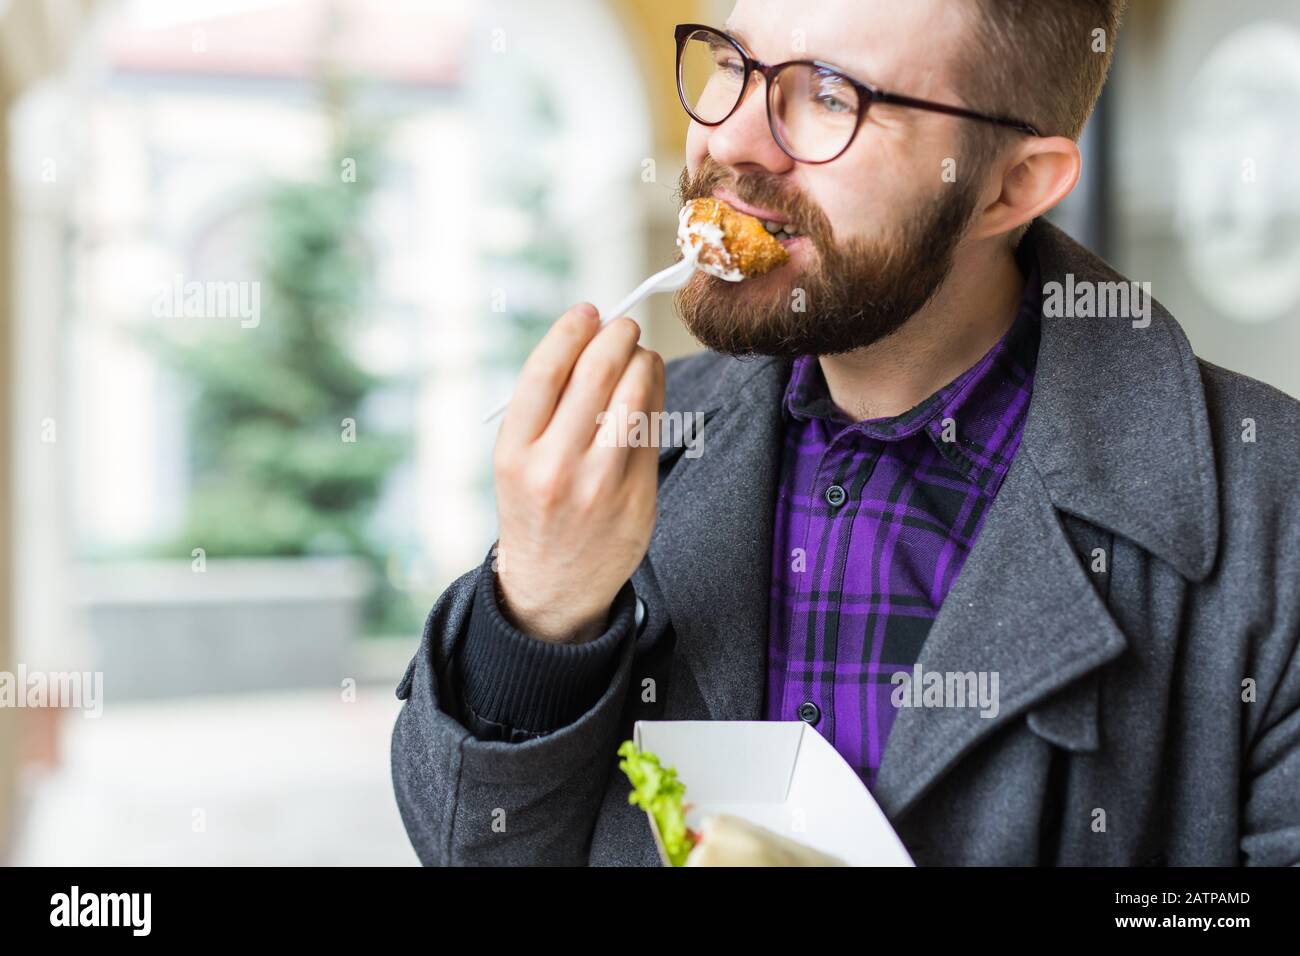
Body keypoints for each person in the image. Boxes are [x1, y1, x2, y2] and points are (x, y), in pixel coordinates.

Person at [391, 0, 1300, 866]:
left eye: (830, 94)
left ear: (1012, 186)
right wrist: (540, 614)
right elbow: (473, 842)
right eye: (730, 64)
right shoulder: (638, 448)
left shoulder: (1273, 506)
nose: (729, 139)